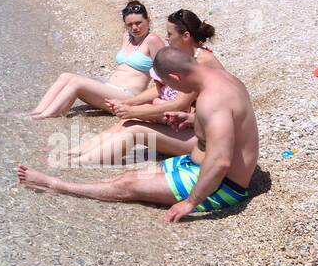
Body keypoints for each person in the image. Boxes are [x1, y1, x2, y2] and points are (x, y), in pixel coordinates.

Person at [18, 49, 259, 221]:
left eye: (171, 86)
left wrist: (190, 202)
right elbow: (230, 122)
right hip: (195, 163)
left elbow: (220, 161)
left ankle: (57, 185)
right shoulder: (223, 78)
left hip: (224, 184)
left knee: (127, 186)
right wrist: (192, 119)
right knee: (131, 174)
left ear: (175, 77)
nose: (175, 93)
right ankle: (76, 181)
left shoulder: (212, 100)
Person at [70, 10, 221, 166]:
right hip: (196, 126)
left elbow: (179, 104)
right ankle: (78, 153)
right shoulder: (190, 57)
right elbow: (163, 89)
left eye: (169, 34)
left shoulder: (201, 62)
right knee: (128, 121)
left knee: (135, 130)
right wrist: (130, 103)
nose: (167, 38)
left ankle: (79, 164)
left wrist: (133, 110)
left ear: (186, 36)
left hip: (208, 139)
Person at [30, 1, 164, 118]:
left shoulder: (152, 40)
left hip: (128, 96)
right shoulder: (126, 37)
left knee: (76, 83)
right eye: (129, 25)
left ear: (148, 20)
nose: (134, 28)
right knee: (65, 76)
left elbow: (165, 74)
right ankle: (37, 112)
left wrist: (157, 101)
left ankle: (46, 116)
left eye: (138, 23)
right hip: (108, 88)